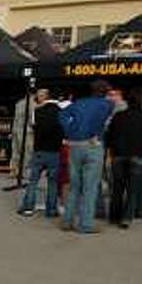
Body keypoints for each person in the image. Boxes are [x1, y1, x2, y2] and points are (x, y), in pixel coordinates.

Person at [58, 80, 117, 234]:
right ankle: (85, 224)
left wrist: (69, 131)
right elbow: (102, 120)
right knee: (90, 187)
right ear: (105, 92)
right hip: (93, 145)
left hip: (74, 145)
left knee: (74, 186)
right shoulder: (107, 104)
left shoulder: (79, 103)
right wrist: (95, 133)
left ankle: (67, 221)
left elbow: (62, 115)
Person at [103, 88, 142, 228]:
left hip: (118, 155)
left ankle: (114, 216)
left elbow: (109, 137)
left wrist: (108, 156)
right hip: (138, 156)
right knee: (132, 189)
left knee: (117, 188)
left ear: (127, 101)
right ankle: (126, 218)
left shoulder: (118, 116)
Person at [18, 91, 62, 217]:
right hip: (55, 151)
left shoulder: (37, 111)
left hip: (39, 150)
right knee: (53, 182)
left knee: (33, 180)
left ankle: (28, 207)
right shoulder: (61, 112)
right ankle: (51, 210)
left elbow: (33, 127)